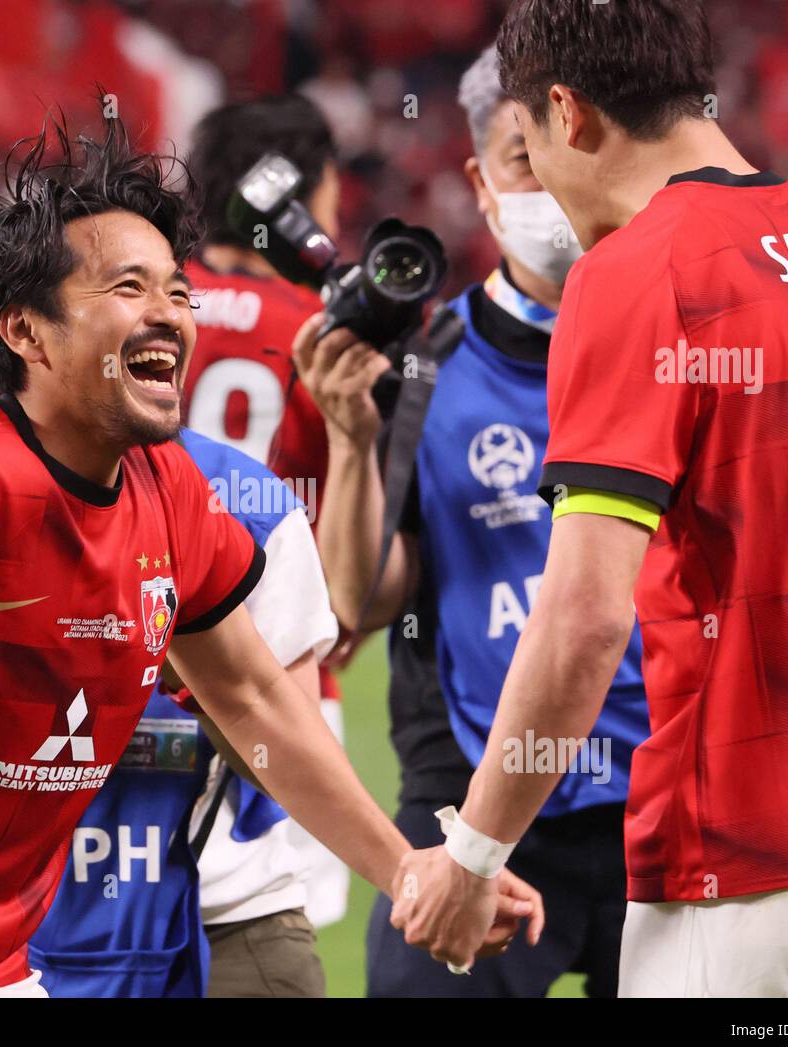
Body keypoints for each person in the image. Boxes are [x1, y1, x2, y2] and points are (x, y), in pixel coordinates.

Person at [0, 111, 537, 998]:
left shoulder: (169, 490)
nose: (172, 315)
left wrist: (409, 869)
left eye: (178, 291)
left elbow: (255, 700)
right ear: (26, 332)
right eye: (129, 288)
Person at [393, 0, 788, 997]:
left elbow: (585, 616)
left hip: (756, 862)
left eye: (532, 147)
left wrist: (473, 852)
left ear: (566, 112)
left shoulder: (638, 270)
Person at [293, 45, 637, 998]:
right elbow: (353, 609)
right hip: (470, 798)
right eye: (517, 160)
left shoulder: (680, 349)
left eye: (557, 150)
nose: (547, 180)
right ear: (481, 186)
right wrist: (351, 444)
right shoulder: (421, 364)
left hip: (665, 796)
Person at [26, 428, 336, 998]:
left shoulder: (251, 503)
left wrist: (194, 667)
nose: (162, 334)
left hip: (230, 919)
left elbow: (297, 771)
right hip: (4, 929)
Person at [181, 95, 352, 992]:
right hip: (286, 673)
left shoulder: (142, 305)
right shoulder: (316, 328)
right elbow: (343, 515)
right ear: (289, 192)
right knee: (275, 940)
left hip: (137, 667)